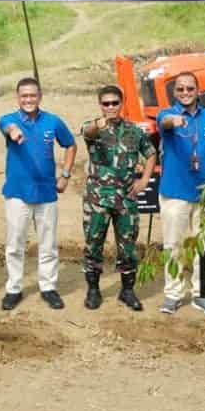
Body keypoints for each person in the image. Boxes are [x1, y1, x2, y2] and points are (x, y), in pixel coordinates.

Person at [155, 72, 205, 317]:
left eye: (190, 88)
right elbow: (164, 123)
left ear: (198, 91)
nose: (185, 93)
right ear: (174, 93)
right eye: (180, 89)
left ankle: (202, 294)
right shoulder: (167, 114)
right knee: (173, 244)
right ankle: (174, 294)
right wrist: (173, 121)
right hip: (176, 192)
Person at [0, 76, 76, 311]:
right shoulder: (9, 120)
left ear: (39, 96)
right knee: (15, 244)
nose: (28, 100)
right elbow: (6, 127)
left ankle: (48, 287)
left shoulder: (52, 121)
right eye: (24, 96)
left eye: (33, 95)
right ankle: (13, 288)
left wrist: (65, 174)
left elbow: (70, 144)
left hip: (46, 192)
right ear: (17, 97)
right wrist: (13, 132)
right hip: (17, 193)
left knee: (48, 244)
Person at [78, 85, 156, 311]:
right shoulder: (93, 127)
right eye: (106, 103)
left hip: (126, 199)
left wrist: (144, 181)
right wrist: (97, 124)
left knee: (128, 247)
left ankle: (127, 290)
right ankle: (93, 290)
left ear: (121, 104)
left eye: (115, 103)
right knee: (93, 244)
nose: (111, 107)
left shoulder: (134, 131)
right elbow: (87, 133)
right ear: (100, 105)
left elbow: (151, 154)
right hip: (97, 199)